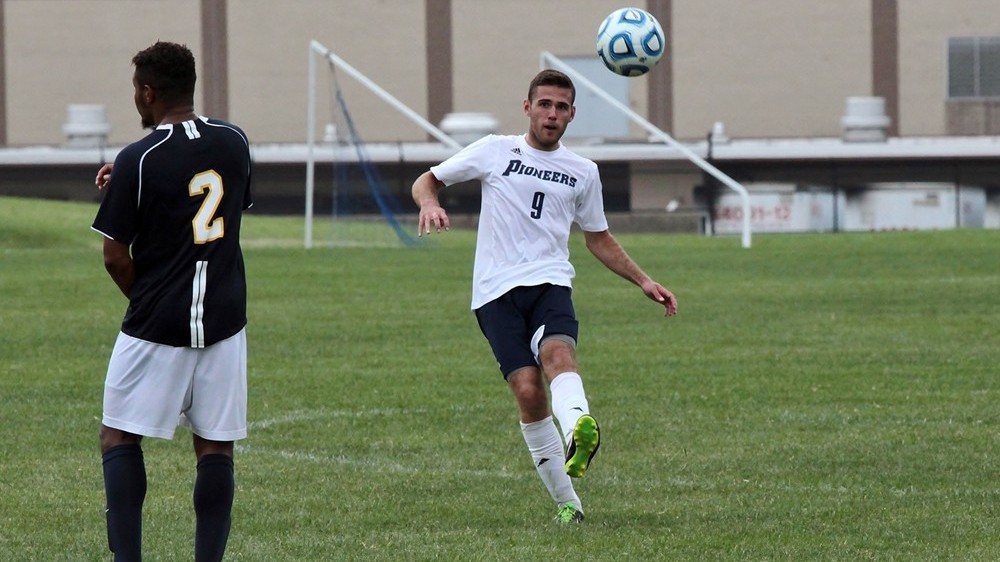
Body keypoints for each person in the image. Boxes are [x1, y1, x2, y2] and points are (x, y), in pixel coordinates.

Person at [411, 69, 677, 525]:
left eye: (561, 107)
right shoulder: (496, 150)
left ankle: (578, 428)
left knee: (558, 357)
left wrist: (643, 280)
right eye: (545, 105)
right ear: (528, 107)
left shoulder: (583, 172)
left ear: (572, 114)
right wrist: (429, 203)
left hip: (551, 282)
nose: (552, 114)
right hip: (494, 294)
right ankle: (568, 504)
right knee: (530, 393)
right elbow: (427, 180)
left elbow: (598, 238)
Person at [91, 41, 253, 561]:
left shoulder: (138, 158)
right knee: (214, 444)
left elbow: (115, 254)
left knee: (118, 437)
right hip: (225, 319)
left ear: (148, 91)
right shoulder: (234, 141)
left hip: (157, 321)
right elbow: (214, 198)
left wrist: (149, 300)